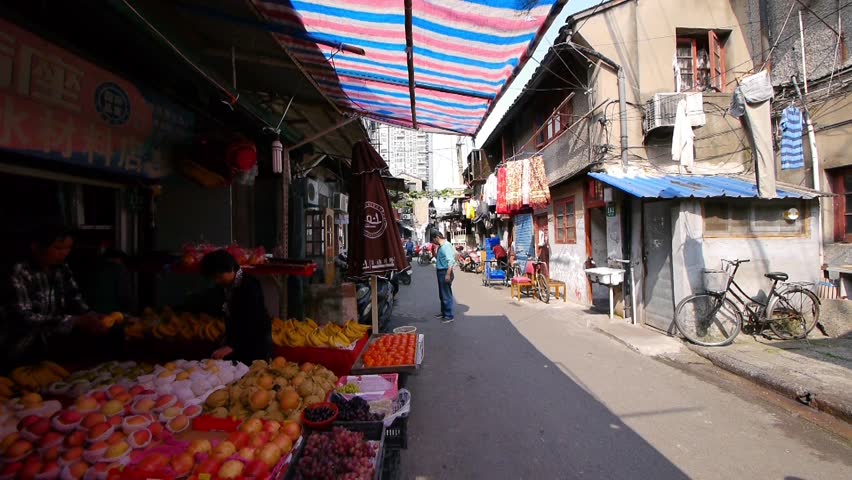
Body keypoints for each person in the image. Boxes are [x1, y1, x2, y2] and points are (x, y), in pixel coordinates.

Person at [2, 226, 105, 364]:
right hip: (18, 348)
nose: (64, 253)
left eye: (68, 248)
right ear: (36, 247)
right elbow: (24, 317)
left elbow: (74, 297)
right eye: (58, 248)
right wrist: (74, 321)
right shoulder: (19, 272)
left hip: (51, 346)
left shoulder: (62, 268)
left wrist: (91, 316)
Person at [200, 249, 272, 364]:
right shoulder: (226, 285)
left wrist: (232, 345)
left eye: (218, 277)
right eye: (214, 278)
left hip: (254, 343)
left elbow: (251, 320)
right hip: (238, 341)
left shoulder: (249, 286)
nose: (217, 281)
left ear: (230, 269)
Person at [430, 231, 456, 323]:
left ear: (436, 237)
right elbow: (441, 259)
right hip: (440, 271)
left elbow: (451, 261)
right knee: (442, 294)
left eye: (433, 240)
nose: (434, 242)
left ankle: (449, 316)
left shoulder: (446, 246)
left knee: (446, 294)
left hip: (445, 271)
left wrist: (448, 274)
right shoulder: (441, 247)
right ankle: (444, 312)